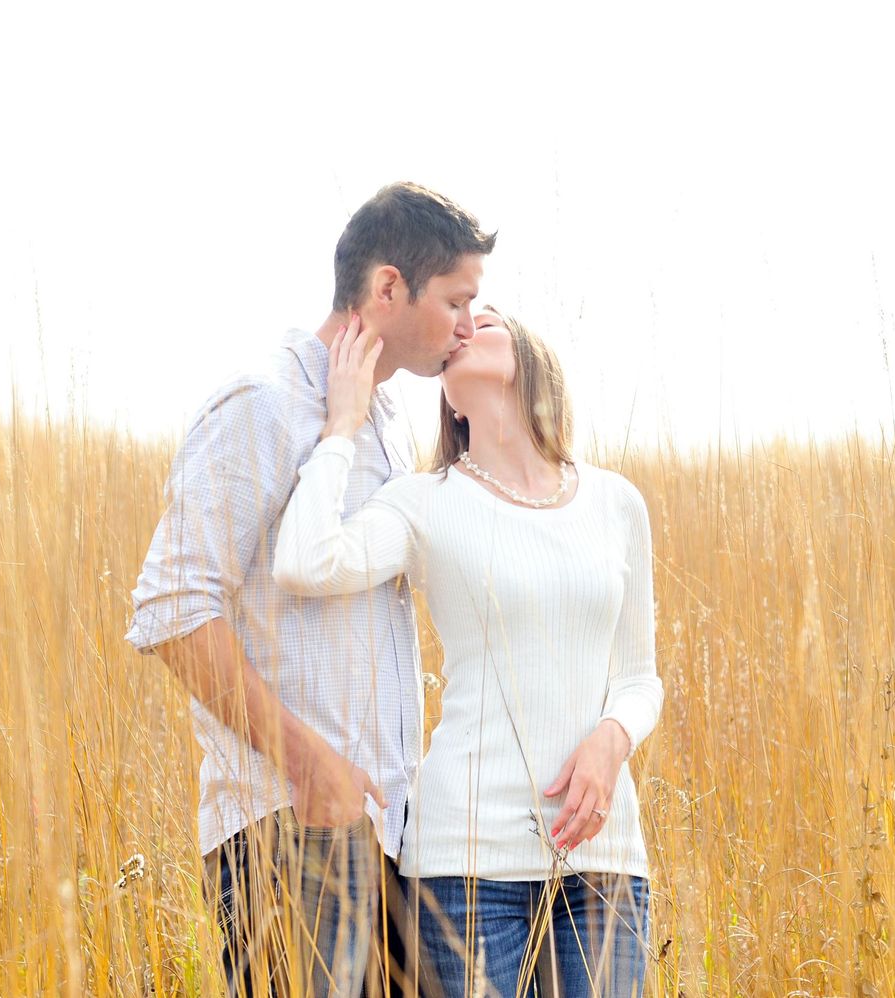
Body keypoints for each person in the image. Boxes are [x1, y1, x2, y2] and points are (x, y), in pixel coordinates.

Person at [124, 181, 495, 997]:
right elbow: (173, 610)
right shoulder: (264, 402)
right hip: (288, 833)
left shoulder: (391, 420)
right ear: (389, 287)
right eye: (457, 300)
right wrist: (309, 764)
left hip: (387, 836)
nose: (469, 324)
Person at [272, 308, 663, 996]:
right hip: (467, 863)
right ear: (447, 400)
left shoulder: (616, 503)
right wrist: (341, 426)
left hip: (603, 858)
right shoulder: (425, 503)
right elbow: (306, 563)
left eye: (481, 320)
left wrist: (611, 740)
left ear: (530, 357)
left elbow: (638, 680)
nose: (461, 330)